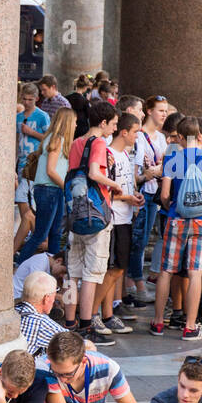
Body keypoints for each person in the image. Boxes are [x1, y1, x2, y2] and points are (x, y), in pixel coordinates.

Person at [66, 102, 124, 344]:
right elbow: (93, 173)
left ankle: (70, 324)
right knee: (91, 274)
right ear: (102, 123)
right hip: (97, 213)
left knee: (72, 274)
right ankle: (87, 325)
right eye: (113, 124)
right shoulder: (99, 142)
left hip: (74, 213)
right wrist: (115, 185)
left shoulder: (76, 142)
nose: (114, 129)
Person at [151, 115, 202, 340]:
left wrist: (170, 205)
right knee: (195, 273)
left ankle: (158, 322)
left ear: (180, 137)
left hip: (176, 218)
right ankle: (190, 326)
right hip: (201, 220)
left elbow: (164, 194)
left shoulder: (173, 156)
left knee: (166, 270)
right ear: (199, 135)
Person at [91, 112, 143, 337]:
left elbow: (126, 186)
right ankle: (93, 314)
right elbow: (107, 192)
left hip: (125, 216)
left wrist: (135, 197)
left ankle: (107, 314)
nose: (137, 137)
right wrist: (127, 198)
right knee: (113, 269)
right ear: (124, 132)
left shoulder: (125, 155)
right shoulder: (110, 153)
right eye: (135, 132)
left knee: (117, 269)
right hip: (113, 217)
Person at [17, 107, 75, 263]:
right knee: (41, 235)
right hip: (48, 190)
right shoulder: (57, 140)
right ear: (68, 123)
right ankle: (20, 265)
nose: (75, 125)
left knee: (55, 233)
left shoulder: (53, 138)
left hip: (53, 190)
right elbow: (51, 170)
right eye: (74, 122)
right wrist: (66, 187)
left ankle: (50, 267)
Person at [127, 95, 169, 303]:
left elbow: (165, 165)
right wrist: (148, 174)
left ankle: (131, 281)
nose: (164, 114)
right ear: (150, 111)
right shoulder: (140, 136)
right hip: (142, 192)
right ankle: (137, 282)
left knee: (142, 240)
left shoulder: (161, 138)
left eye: (166, 111)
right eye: (161, 110)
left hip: (156, 193)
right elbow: (135, 173)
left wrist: (159, 170)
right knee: (139, 240)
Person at [18, 271, 71, 365]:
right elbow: (77, 345)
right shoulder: (41, 323)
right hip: (23, 374)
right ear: (46, 298)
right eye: (55, 293)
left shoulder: (14, 310)